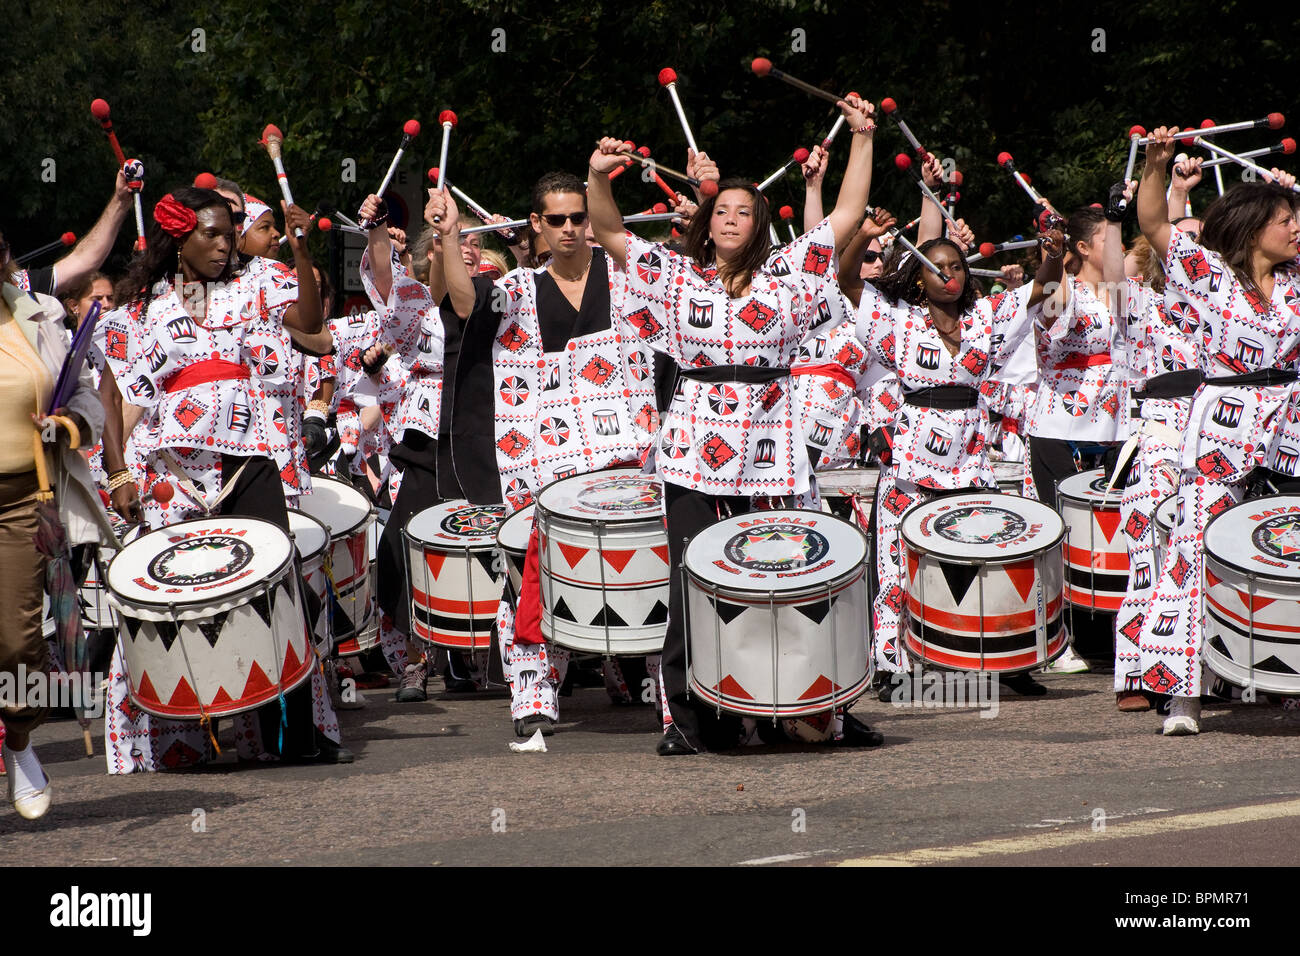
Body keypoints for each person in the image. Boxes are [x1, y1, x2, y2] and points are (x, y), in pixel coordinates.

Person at [589, 93, 880, 755]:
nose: (730, 218)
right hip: (693, 448)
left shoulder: (789, 277)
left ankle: (793, 708)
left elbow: (847, 214)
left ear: (759, 225)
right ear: (707, 219)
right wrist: (597, 174)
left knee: (781, 573)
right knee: (693, 575)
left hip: (772, 450)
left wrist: (862, 139)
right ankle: (686, 721)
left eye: (744, 211)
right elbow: (608, 231)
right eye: (722, 209)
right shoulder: (676, 276)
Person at [101, 186, 346, 767]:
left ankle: (288, 737)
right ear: (177, 239)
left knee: (274, 590)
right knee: (171, 600)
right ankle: (178, 741)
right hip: (173, 471)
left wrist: (304, 249)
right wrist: (117, 477)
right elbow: (114, 396)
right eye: (209, 233)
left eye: (228, 232)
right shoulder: (141, 306)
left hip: (250, 462)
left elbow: (313, 325)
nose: (223, 243)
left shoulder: (257, 281)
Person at [453, 172, 661, 735]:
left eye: (579, 217)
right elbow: (465, 299)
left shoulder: (630, 280)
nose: (571, 229)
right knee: (532, 575)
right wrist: (449, 238)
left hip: (627, 454)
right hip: (544, 462)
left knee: (643, 567)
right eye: (558, 220)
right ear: (536, 226)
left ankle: (657, 689)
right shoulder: (517, 286)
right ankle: (534, 696)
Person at [1132, 126, 1300, 736]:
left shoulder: (1297, 282)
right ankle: (1184, 695)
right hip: (1223, 424)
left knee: (1289, 548)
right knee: (1195, 548)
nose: (1294, 228)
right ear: (1253, 226)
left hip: (1289, 423)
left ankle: (1287, 679)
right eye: (1284, 219)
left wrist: (1286, 185)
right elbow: (1153, 221)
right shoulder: (1209, 274)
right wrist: (1154, 166)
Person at [854, 209, 1052, 695]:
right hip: (909, 462)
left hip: (971, 458)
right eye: (937, 266)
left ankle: (1008, 661)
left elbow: (1040, 291)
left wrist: (1054, 254)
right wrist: (862, 236)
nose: (949, 274)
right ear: (918, 278)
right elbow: (845, 281)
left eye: (958, 267)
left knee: (990, 559)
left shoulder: (986, 320)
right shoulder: (899, 323)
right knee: (894, 563)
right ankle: (890, 662)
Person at [1, 274, 112, 817]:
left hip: (23, 499)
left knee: (19, 643)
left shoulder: (39, 313)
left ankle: (19, 740)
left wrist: (68, 423)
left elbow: (88, 394)